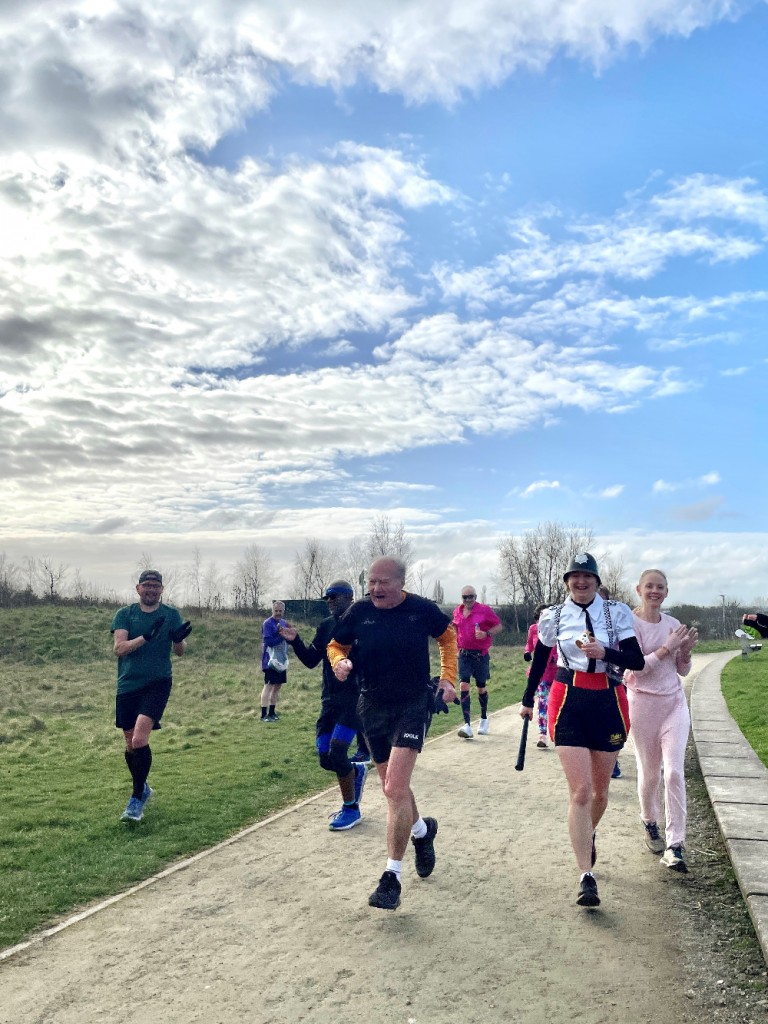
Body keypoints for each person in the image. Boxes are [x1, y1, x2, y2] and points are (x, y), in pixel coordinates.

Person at [328, 556, 457, 911]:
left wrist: (448, 677)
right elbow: (336, 645)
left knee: (395, 788)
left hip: (413, 703)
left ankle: (391, 877)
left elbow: (448, 637)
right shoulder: (358, 612)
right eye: (371, 582)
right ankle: (421, 832)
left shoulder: (421, 610)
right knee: (393, 789)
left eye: (383, 582)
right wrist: (339, 662)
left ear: (401, 583)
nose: (375, 589)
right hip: (372, 706)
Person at [520, 553, 644, 908]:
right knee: (580, 792)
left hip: (608, 698)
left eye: (587, 577)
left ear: (596, 580)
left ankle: (587, 834)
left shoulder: (616, 611)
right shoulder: (553, 616)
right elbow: (542, 660)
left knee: (600, 794)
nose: (581, 582)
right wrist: (528, 700)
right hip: (567, 697)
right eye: (574, 577)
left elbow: (636, 660)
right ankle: (586, 876)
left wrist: (605, 651)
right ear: (566, 582)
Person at [279, 580, 369, 831]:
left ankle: (351, 808)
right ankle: (355, 772)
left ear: (349, 597)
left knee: (338, 751)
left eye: (334, 597)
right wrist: (295, 641)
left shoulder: (363, 626)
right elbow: (310, 660)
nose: (329, 601)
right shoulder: (326, 626)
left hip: (354, 701)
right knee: (325, 757)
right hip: (329, 701)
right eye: (326, 598)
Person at [624, 569, 698, 872]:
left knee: (673, 774)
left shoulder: (673, 625)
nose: (655, 591)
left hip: (674, 704)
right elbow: (635, 669)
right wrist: (666, 648)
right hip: (642, 705)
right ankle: (650, 821)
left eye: (661, 587)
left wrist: (686, 652)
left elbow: (681, 670)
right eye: (650, 586)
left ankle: (675, 844)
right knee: (651, 773)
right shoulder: (628, 624)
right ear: (639, 589)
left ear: (666, 592)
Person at [111, 569, 191, 822]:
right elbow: (119, 648)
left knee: (139, 739)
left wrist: (178, 640)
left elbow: (179, 652)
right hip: (127, 684)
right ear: (138, 589)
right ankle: (143, 787)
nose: (151, 590)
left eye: (156, 586)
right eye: (147, 585)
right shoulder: (124, 615)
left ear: (162, 590)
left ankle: (136, 799)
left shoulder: (170, 614)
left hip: (157, 682)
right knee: (129, 744)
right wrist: (145, 637)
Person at [453, 586, 502, 738]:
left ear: (475, 596)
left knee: (481, 687)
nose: (468, 600)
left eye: (471, 596)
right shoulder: (457, 611)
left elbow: (499, 626)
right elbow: (455, 629)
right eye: (465, 597)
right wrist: (456, 648)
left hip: (480, 655)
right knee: (463, 684)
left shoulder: (484, 610)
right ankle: (467, 724)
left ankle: (483, 718)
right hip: (464, 655)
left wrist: (486, 633)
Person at [597, 585, 623, 780]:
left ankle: (613, 760)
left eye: (602, 600)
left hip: (614, 678)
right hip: (588, 680)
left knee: (611, 721)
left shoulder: (617, 621)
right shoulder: (582, 621)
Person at [523, 605, 557, 748]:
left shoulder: (557, 628)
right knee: (543, 701)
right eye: (541, 617)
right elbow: (529, 644)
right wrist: (527, 652)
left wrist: (556, 657)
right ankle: (542, 735)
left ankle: (557, 731)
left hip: (557, 672)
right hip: (541, 673)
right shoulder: (533, 629)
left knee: (556, 703)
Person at [261, 600, 288, 722]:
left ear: (283, 611)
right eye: (276, 611)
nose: (278, 613)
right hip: (270, 660)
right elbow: (268, 642)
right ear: (272, 611)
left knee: (277, 687)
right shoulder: (267, 623)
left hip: (281, 660)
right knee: (268, 686)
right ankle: (263, 715)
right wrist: (281, 635)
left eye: (280, 611)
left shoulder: (283, 623)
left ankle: (272, 713)